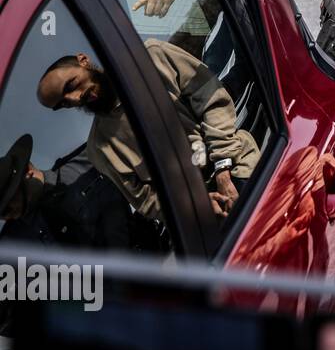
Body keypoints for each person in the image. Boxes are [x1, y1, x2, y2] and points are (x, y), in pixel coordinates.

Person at [36, 46, 260, 223]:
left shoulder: (152, 59)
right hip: (201, 216)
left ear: (83, 60)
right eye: (64, 103)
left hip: (236, 168)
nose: (75, 98)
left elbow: (214, 101)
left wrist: (222, 170)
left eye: (71, 85)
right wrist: (196, 207)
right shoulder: (100, 148)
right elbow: (147, 201)